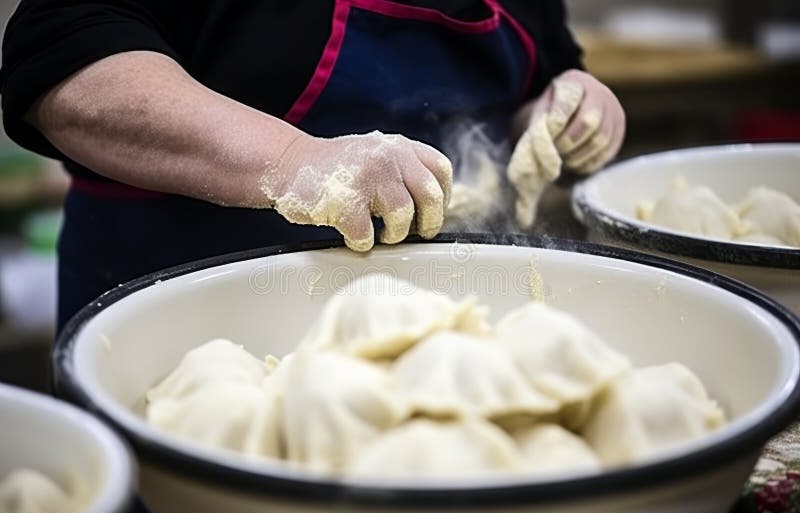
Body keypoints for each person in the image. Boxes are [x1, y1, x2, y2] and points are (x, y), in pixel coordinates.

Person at [1, 1, 624, 333]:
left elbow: (532, 88)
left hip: (445, 327)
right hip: (191, 333)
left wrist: (561, 111)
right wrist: (295, 163)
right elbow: (66, 62)